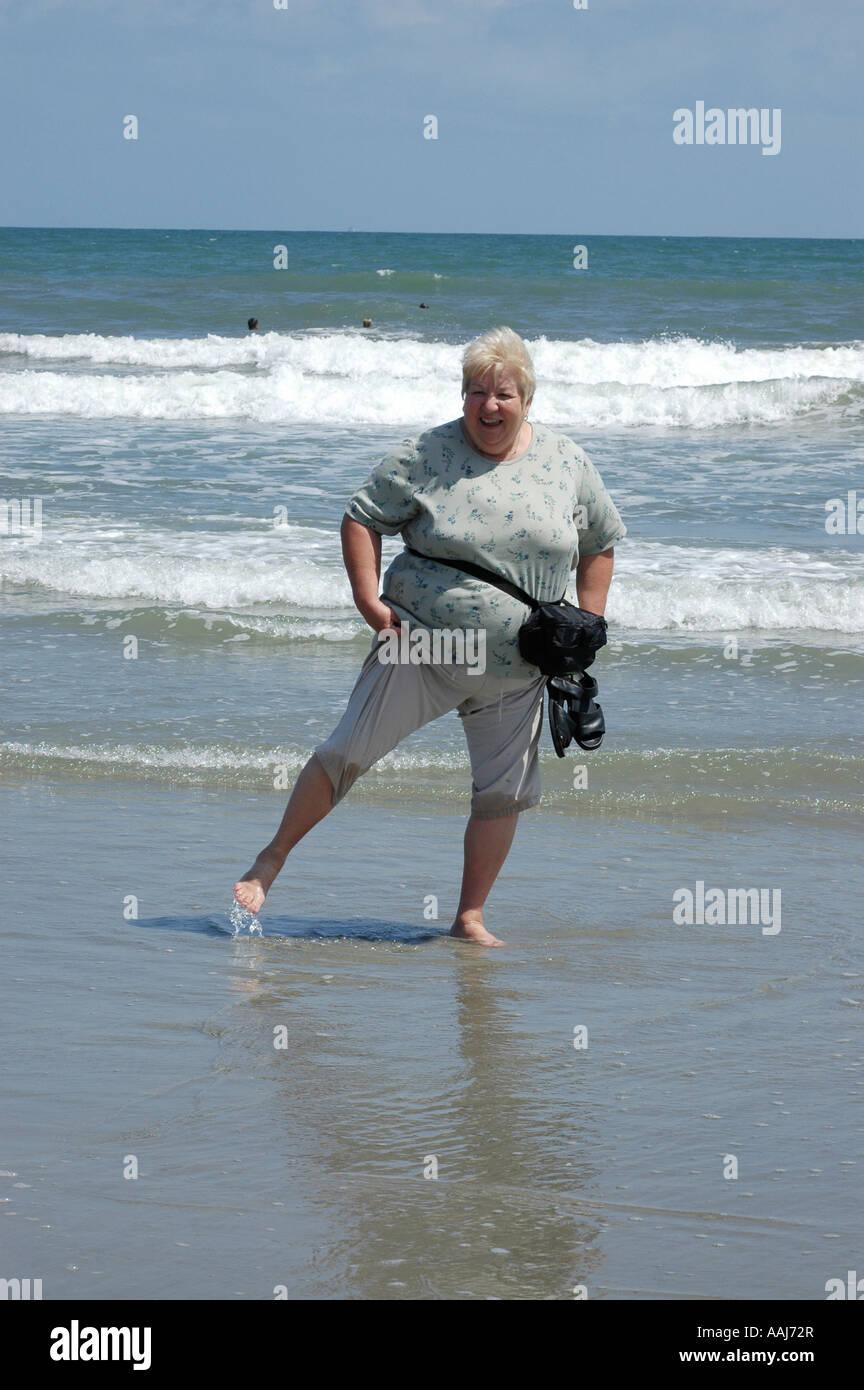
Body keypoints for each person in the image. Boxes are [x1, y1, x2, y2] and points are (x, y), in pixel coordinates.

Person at [234, 326, 626, 945]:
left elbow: (600, 540)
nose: (488, 407)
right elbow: (361, 515)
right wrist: (367, 598)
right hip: (425, 644)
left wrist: (588, 620)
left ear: (527, 397)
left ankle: (469, 916)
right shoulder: (429, 455)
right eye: (476, 393)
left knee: (501, 796)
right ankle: (271, 860)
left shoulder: (566, 462)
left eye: (503, 394)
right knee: (345, 755)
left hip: (521, 665)